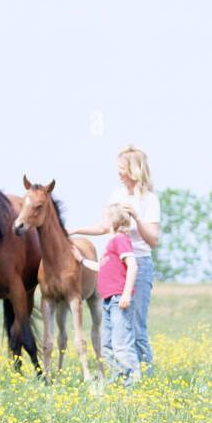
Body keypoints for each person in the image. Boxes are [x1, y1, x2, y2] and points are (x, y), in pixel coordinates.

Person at [70, 145, 160, 372]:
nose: (118, 173)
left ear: (134, 169)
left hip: (138, 263)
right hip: (115, 265)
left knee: (136, 328)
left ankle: (145, 379)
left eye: (122, 168)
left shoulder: (150, 200)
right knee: (112, 330)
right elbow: (105, 225)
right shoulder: (116, 195)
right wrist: (76, 230)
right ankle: (122, 378)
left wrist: (137, 217)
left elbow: (152, 240)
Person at [78, 204, 139, 384]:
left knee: (122, 346)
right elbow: (101, 268)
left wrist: (127, 293)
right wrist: (81, 260)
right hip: (108, 301)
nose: (101, 223)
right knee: (106, 346)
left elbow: (133, 266)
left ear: (113, 222)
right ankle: (118, 381)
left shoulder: (120, 239)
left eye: (104, 219)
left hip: (119, 299)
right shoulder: (110, 244)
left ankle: (131, 385)